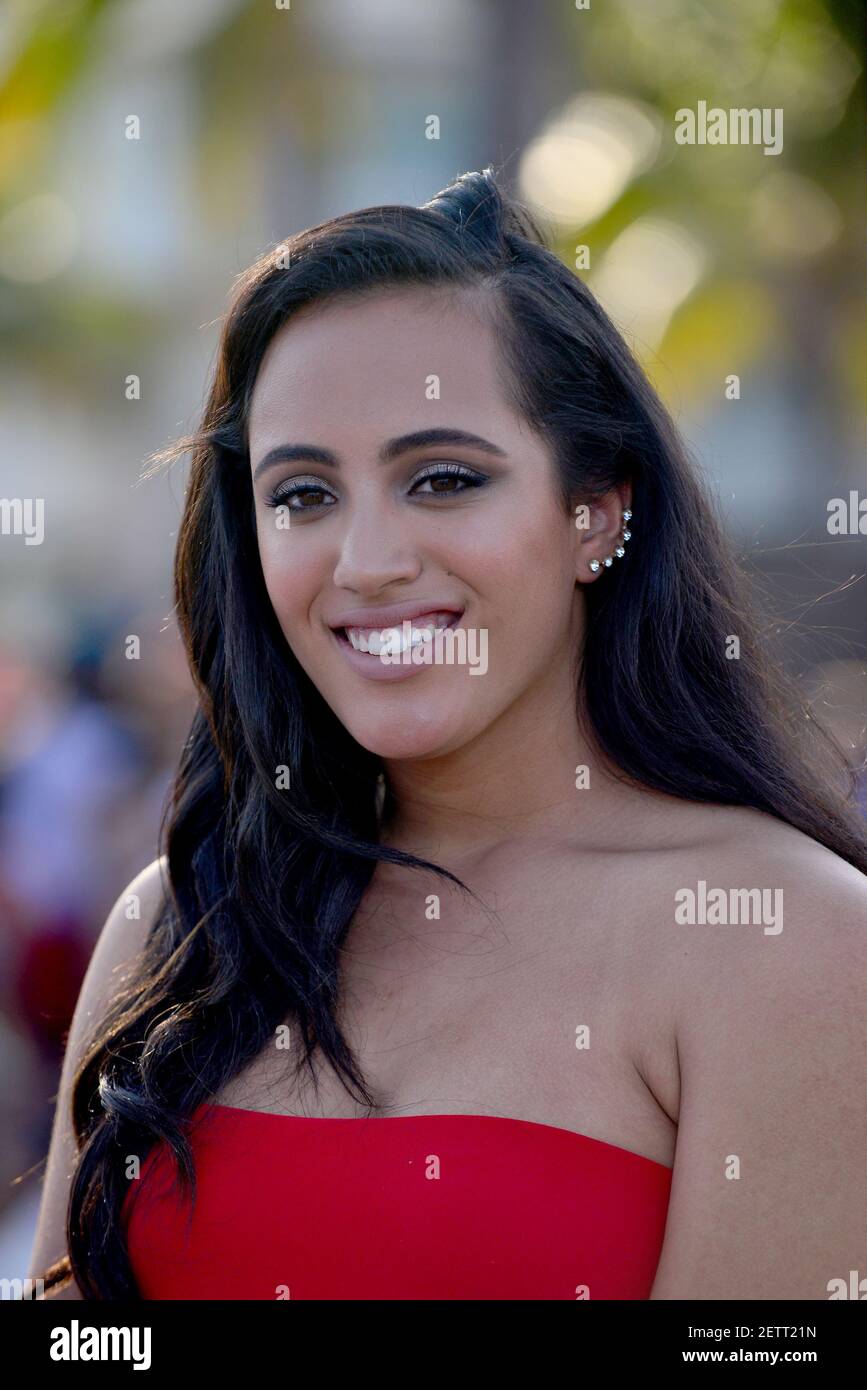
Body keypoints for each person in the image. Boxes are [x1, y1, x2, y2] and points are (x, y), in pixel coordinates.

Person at [30, 168, 867, 1301]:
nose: (366, 562)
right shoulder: (184, 919)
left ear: (597, 514)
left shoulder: (793, 943)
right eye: (303, 495)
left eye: (442, 478)